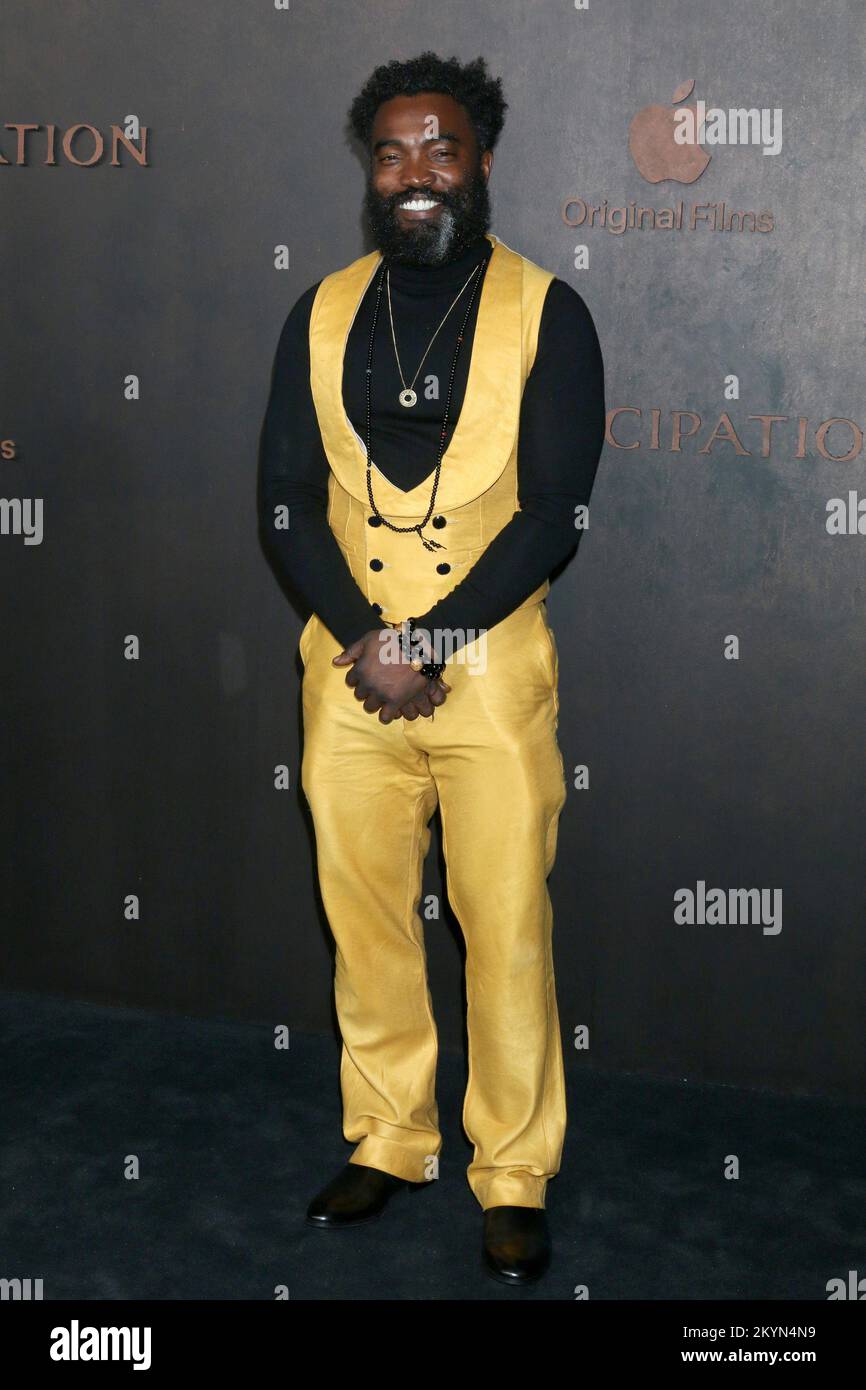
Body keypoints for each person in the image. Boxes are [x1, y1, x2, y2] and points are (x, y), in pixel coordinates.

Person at [259, 50, 605, 1286]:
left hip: (490, 673)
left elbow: (554, 513)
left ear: (481, 161)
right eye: (393, 152)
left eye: (439, 148)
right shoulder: (323, 308)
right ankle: (390, 1138)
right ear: (372, 168)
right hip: (347, 667)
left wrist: (432, 643)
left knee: (503, 928)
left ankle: (511, 1171)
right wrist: (366, 636)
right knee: (363, 925)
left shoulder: (547, 310)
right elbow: (287, 503)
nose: (416, 173)